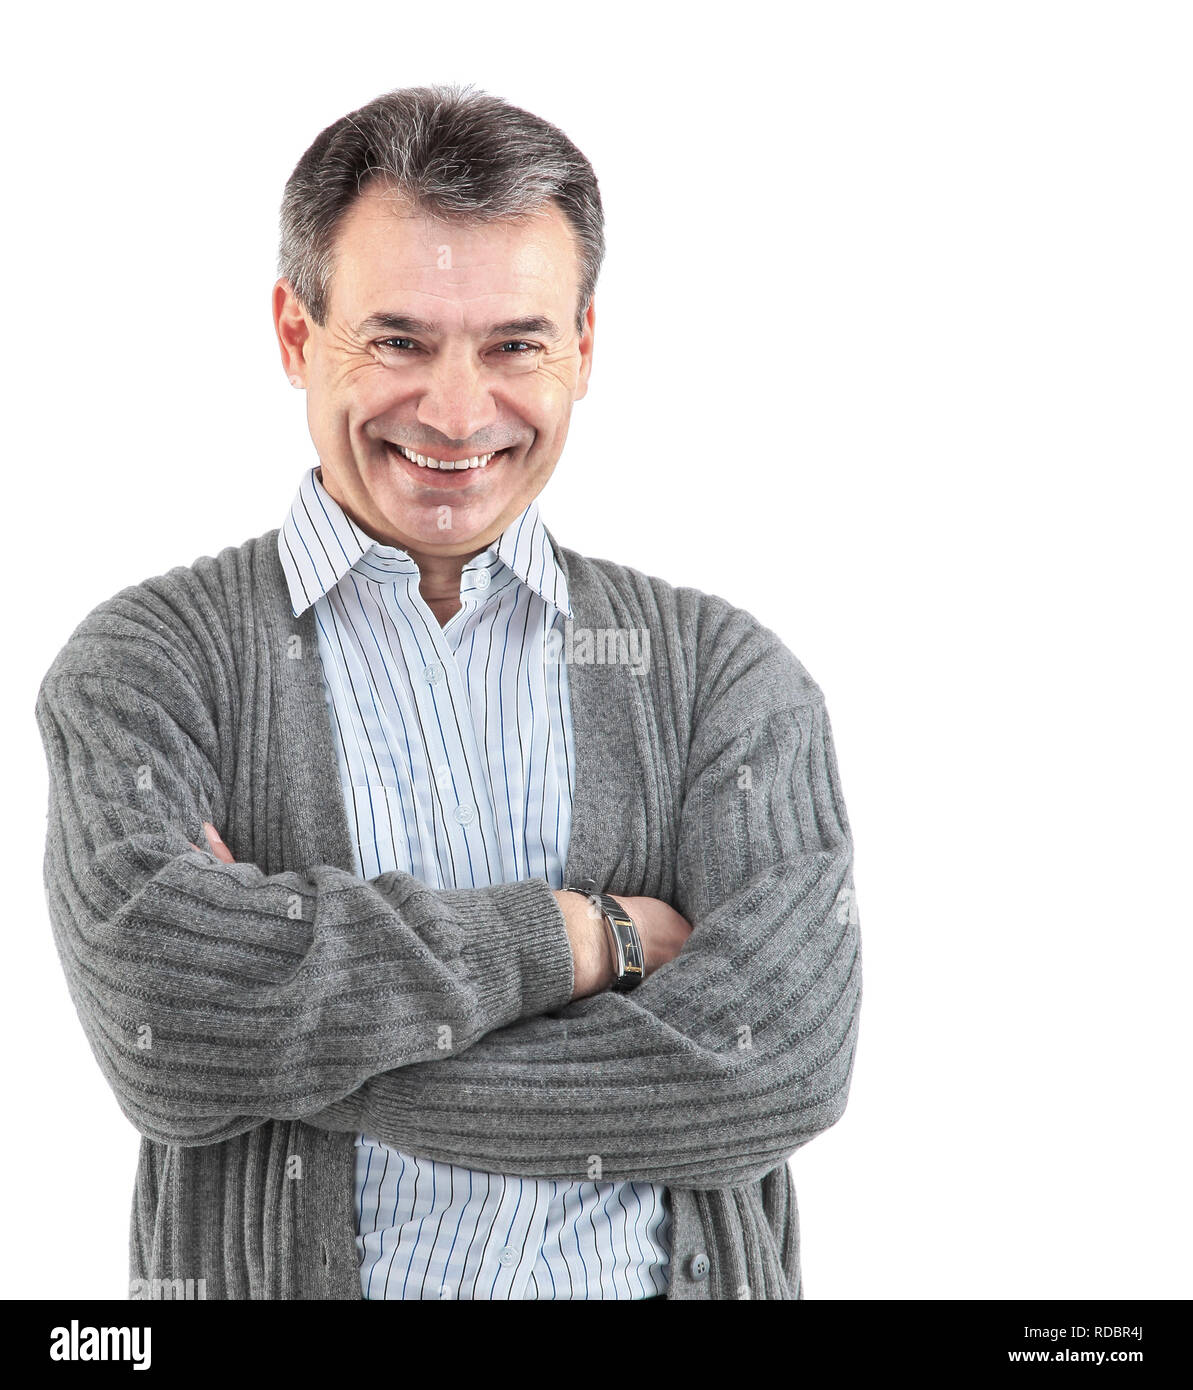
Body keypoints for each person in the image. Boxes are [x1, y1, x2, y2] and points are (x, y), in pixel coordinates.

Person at [35, 83, 862, 1301]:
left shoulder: (719, 678)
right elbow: (166, 1026)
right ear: (292, 331)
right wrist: (588, 938)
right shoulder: (153, 663)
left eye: (515, 343)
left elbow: (771, 1066)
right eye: (399, 339)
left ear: (584, 349)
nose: (458, 411)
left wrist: (285, 1047)